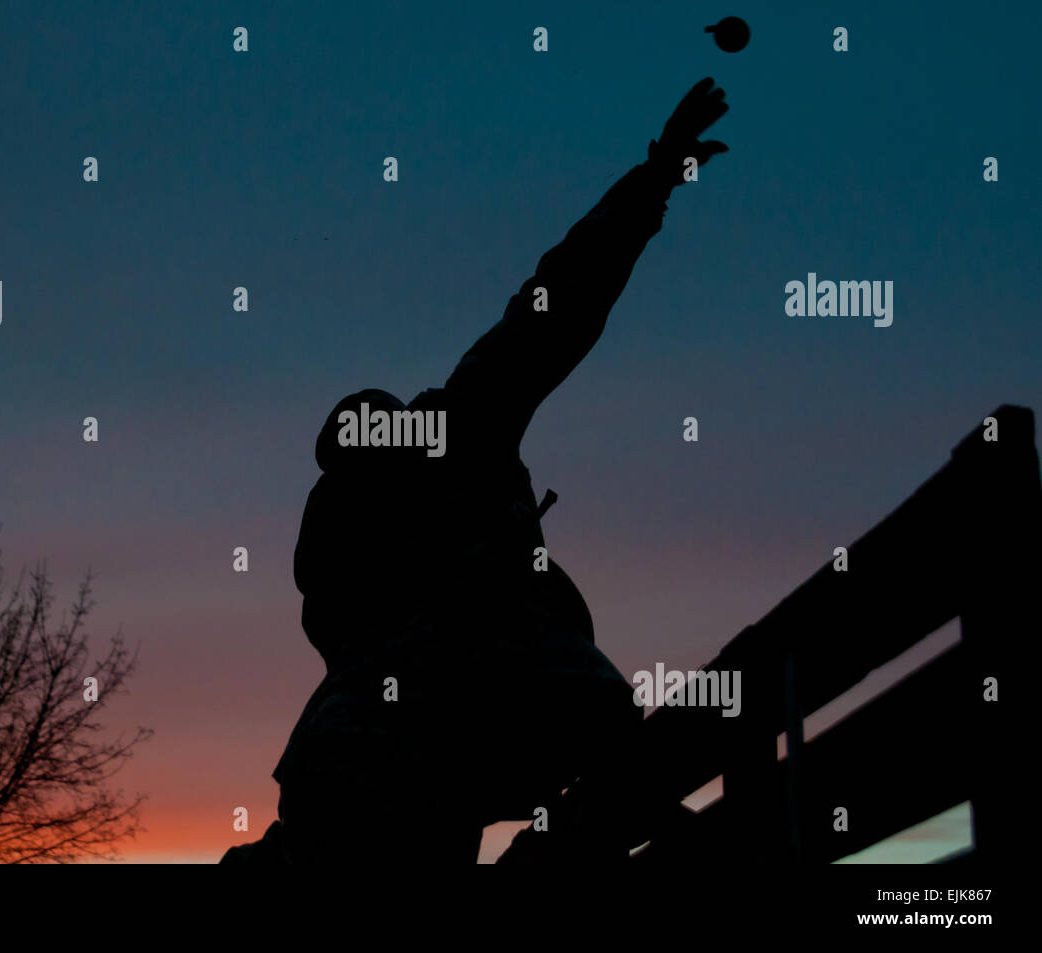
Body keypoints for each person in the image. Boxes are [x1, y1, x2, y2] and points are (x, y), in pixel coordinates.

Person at [222, 78, 730, 866]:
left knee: (390, 795)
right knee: (594, 762)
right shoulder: (454, 430)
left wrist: (655, 180)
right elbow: (559, 300)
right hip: (519, 702)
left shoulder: (335, 520)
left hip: (387, 739)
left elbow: (558, 301)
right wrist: (656, 179)